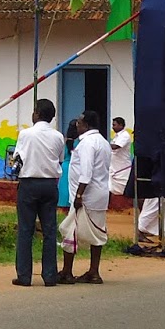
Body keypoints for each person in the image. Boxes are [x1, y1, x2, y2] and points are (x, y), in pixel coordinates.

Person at [12, 99, 65, 287]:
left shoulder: (25, 134)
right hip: (50, 185)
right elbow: (59, 159)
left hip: (29, 183)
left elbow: (18, 158)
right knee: (50, 231)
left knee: (26, 230)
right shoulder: (58, 136)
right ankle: (50, 275)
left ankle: (24, 275)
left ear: (36, 113)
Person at [61, 111, 111, 284]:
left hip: (86, 196)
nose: (77, 125)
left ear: (87, 125)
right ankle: (94, 271)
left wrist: (79, 194)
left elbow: (86, 172)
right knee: (97, 232)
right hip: (100, 194)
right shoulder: (104, 142)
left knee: (70, 230)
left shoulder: (87, 144)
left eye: (80, 122)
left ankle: (67, 271)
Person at [108, 117, 132, 198]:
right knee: (109, 188)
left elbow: (116, 146)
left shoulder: (125, 135)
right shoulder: (116, 137)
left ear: (121, 125)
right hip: (114, 168)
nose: (112, 127)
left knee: (125, 189)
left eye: (114, 125)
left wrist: (103, 144)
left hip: (122, 168)